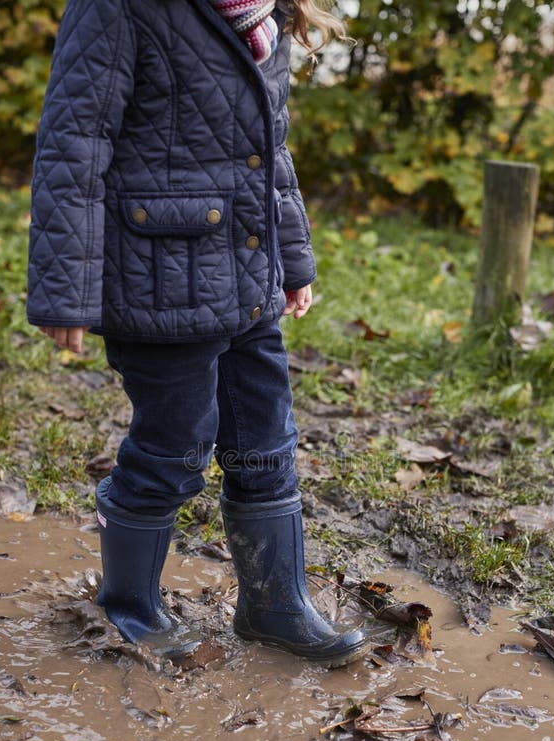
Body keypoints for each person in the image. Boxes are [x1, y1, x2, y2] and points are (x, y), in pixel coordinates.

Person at [26, 0, 368, 664]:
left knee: (266, 444)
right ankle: (130, 605)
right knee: (174, 448)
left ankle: (275, 605)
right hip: (158, 275)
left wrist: (293, 262)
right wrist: (65, 292)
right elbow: (74, 142)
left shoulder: (265, 18)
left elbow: (273, 156)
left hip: (248, 280)